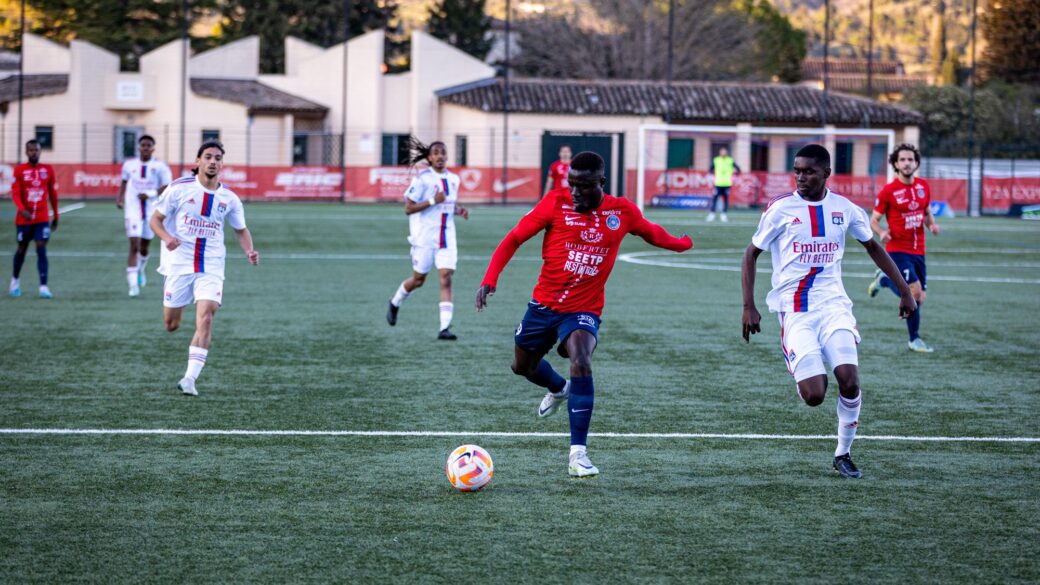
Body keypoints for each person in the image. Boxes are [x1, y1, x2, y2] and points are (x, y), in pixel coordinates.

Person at [476, 151, 692, 478]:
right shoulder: (555, 203)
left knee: (581, 358)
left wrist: (682, 243)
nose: (575, 192)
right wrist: (489, 279)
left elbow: (653, 233)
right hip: (543, 305)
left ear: (601, 183)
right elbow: (515, 237)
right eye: (572, 184)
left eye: (584, 186)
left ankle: (578, 454)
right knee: (522, 367)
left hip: (583, 308)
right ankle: (558, 388)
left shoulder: (622, 212)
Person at [740, 144, 917, 479]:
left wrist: (905, 291)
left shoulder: (845, 209)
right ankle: (800, 365)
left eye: (808, 171)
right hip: (796, 311)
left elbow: (874, 246)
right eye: (797, 170)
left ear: (826, 173)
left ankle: (843, 453)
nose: (801, 177)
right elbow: (750, 254)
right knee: (814, 395)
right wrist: (748, 306)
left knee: (849, 381)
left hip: (834, 306)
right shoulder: (780, 209)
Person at [149, 141, 259, 396]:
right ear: (197, 161)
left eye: (217, 158)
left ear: (222, 164)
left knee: (207, 317)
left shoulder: (229, 198)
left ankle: (189, 378)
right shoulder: (178, 189)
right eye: (208, 157)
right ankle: (183, 321)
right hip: (179, 264)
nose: (213, 161)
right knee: (171, 325)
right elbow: (155, 220)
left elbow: (241, 229)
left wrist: (249, 250)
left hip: (211, 264)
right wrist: (167, 238)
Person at [386, 137, 469, 340]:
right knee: (418, 280)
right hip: (424, 238)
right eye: (436, 153)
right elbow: (408, 208)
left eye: (443, 152)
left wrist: (458, 210)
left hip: (446, 237)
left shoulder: (454, 180)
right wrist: (433, 200)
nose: (440, 156)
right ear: (430, 158)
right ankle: (395, 302)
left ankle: (444, 328)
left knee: (446, 278)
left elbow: (446, 206)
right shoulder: (422, 179)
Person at [867, 143, 941, 353]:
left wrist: (932, 225)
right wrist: (882, 232)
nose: (907, 163)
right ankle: (914, 340)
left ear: (916, 162)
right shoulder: (888, 191)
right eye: (903, 160)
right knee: (914, 291)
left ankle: (883, 280)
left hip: (919, 250)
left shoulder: (923, 186)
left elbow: (926, 212)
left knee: (920, 297)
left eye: (911, 159)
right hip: (897, 249)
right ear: (896, 164)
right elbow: (874, 220)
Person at [116, 134, 173, 297]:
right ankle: (133, 285)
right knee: (134, 245)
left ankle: (141, 270)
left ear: (153, 148)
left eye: (149, 145)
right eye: (143, 145)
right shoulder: (129, 165)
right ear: (139, 147)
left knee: (144, 246)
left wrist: (150, 193)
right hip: (132, 210)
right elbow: (124, 182)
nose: (145, 148)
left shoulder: (160, 166)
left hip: (152, 211)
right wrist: (120, 199)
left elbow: (167, 186)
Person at [10, 139, 58, 299]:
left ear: (40, 151)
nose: (33, 153)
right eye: (30, 150)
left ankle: (44, 286)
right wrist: (22, 209)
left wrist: (56, 215)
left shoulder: (48, 170)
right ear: (26, 152)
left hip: (42, 217)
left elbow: (53, 194)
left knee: (41, 247)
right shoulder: (19, 170)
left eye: (36, 150)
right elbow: (15, 192)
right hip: (24, 219)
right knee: (22, 249)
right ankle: (15, 281)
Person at [707, 146, 740, 223]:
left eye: (725, 152)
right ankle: (712, 214)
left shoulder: (730, 160)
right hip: (718, 183)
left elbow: (738, 169)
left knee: (725, 199)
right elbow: (710, 169)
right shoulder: (716, 160)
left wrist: (734, 177)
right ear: (720, 153)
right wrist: (712, 177)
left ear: (727, 153)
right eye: (722, 152)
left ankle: (723, 215)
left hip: (727, 184)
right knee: (715, 198)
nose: (723, 153)